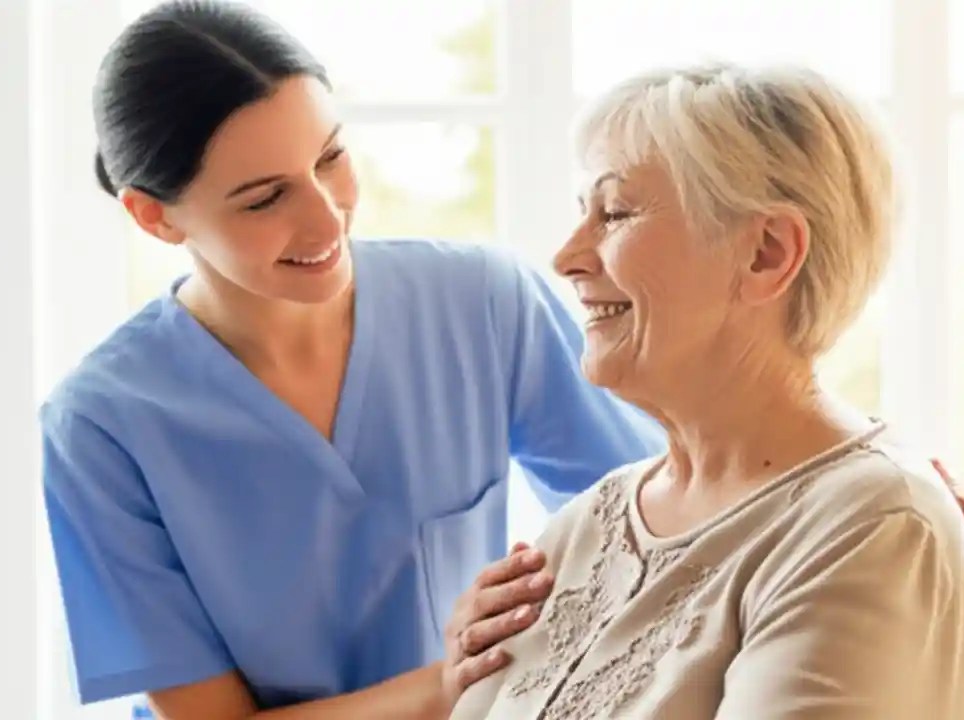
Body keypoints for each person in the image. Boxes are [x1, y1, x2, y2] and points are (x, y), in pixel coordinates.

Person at [39, 1, 666, 717]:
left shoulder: (485, 305)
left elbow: (662, 532)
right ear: (154, 215)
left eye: (330, 158)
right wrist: (457, 682)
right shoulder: (100, 426)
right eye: (265, 198)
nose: (326, 217)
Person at [449, 62, 964, 719]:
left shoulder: (874, 525)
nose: (567, 257)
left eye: (615, 213)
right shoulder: (588, 523)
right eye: (584, 213)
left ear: (767, 253)